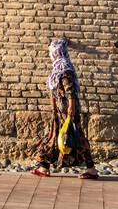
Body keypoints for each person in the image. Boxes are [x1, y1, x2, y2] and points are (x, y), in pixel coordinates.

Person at [32, 38, 98, 177]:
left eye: (53, 52)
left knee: (74, 137)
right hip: (59, 112)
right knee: (53, 136)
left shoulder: (63, 67)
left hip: (66, 111)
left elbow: (70, 90)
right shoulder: (59, 67)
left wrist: (71, 108)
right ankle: (44, 166)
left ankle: (90, 169)